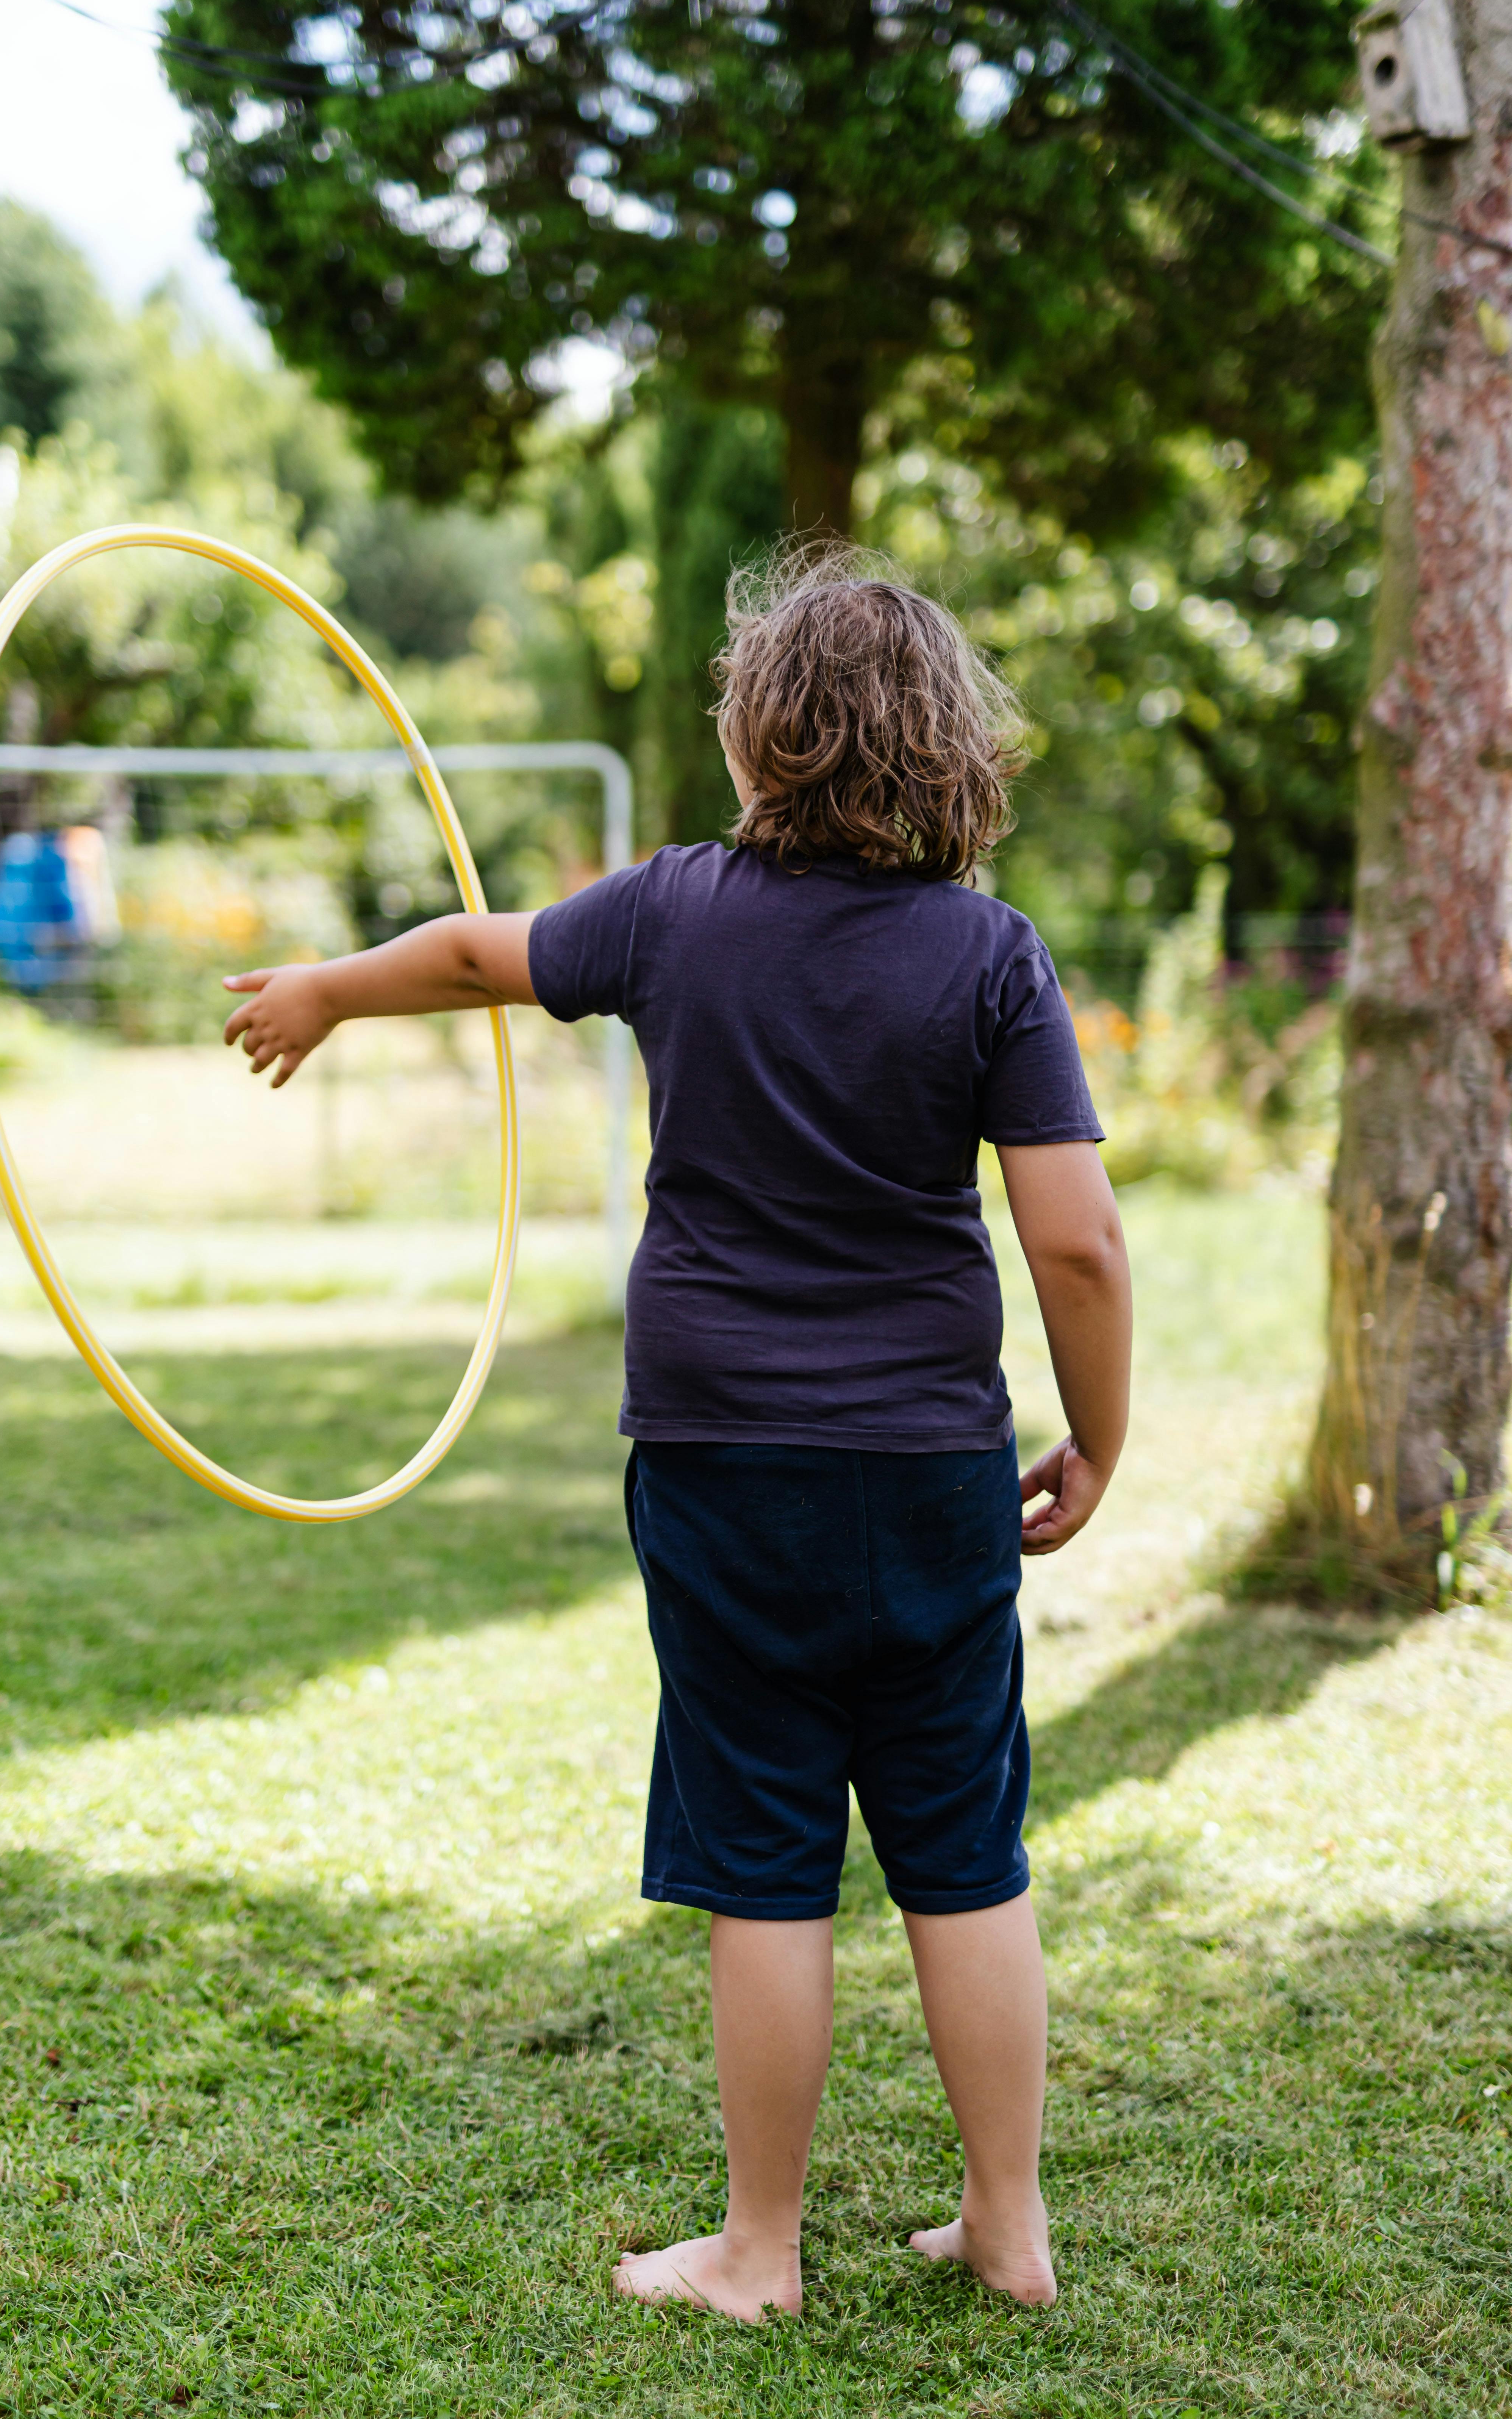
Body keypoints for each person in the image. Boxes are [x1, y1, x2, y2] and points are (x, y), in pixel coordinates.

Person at [220, 546, 1133, 2325]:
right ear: (952, 753)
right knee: (966, 1847)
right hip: (933, 1465)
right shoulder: (993, 958)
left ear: (758, 734)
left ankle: (761, 2253)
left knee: (768, 1853)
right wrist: (1095, 1440)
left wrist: (329, 986)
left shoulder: (672, 912)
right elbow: (1078, 1239)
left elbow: (483, 953)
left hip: (723, 1466)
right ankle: (1008, 2229)